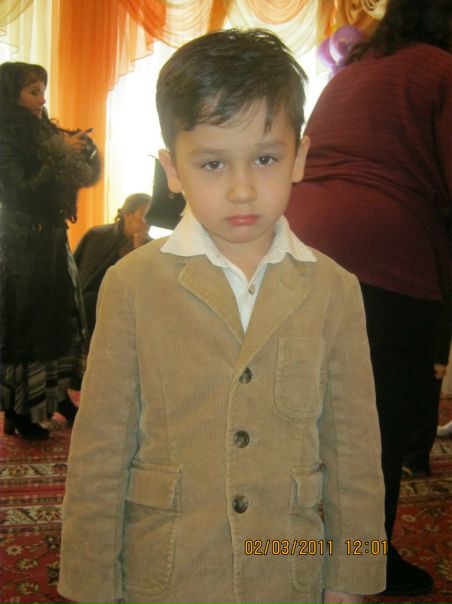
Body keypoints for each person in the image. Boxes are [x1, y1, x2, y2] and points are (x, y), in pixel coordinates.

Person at [58, 29, 386, 604]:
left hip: (287, 575)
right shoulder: (131, 284)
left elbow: (354, 451)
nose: (241, 189)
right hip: (168, 578)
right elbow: (100, 451)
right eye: (212, 163)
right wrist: (91, 586)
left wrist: (352, 579)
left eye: (265, 158)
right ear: (173, 170)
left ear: (299, 158)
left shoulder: (335, 289)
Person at [285, 0, 451, 596]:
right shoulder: (440, 70)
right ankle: (365, 557)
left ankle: (282, 543)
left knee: (300, 411)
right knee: (375, 422)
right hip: (383, 252)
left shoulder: (353, 69)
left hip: (297, 242)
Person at [0, 62, 100, 439]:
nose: (42, 98)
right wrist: (60, 151)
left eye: (42, 90)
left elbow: (76, 176)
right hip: (22, 243)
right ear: (11, 94)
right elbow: (22, 189)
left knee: (63, 319)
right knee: (29, 328)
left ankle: (57, 396)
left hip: (52, 238)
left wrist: (83, 151)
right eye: (33, 91)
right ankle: (20, 411)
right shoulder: (5, 134)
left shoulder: (43, 129)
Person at [74, 193, 152, 335]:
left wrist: (138, 249)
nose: (149, 221)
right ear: (128, 214)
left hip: (129, 309)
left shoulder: (151, 247)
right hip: (92, 306)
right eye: (144, 215)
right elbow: (81, 275)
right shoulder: (98, 236)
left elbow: (146, 288)